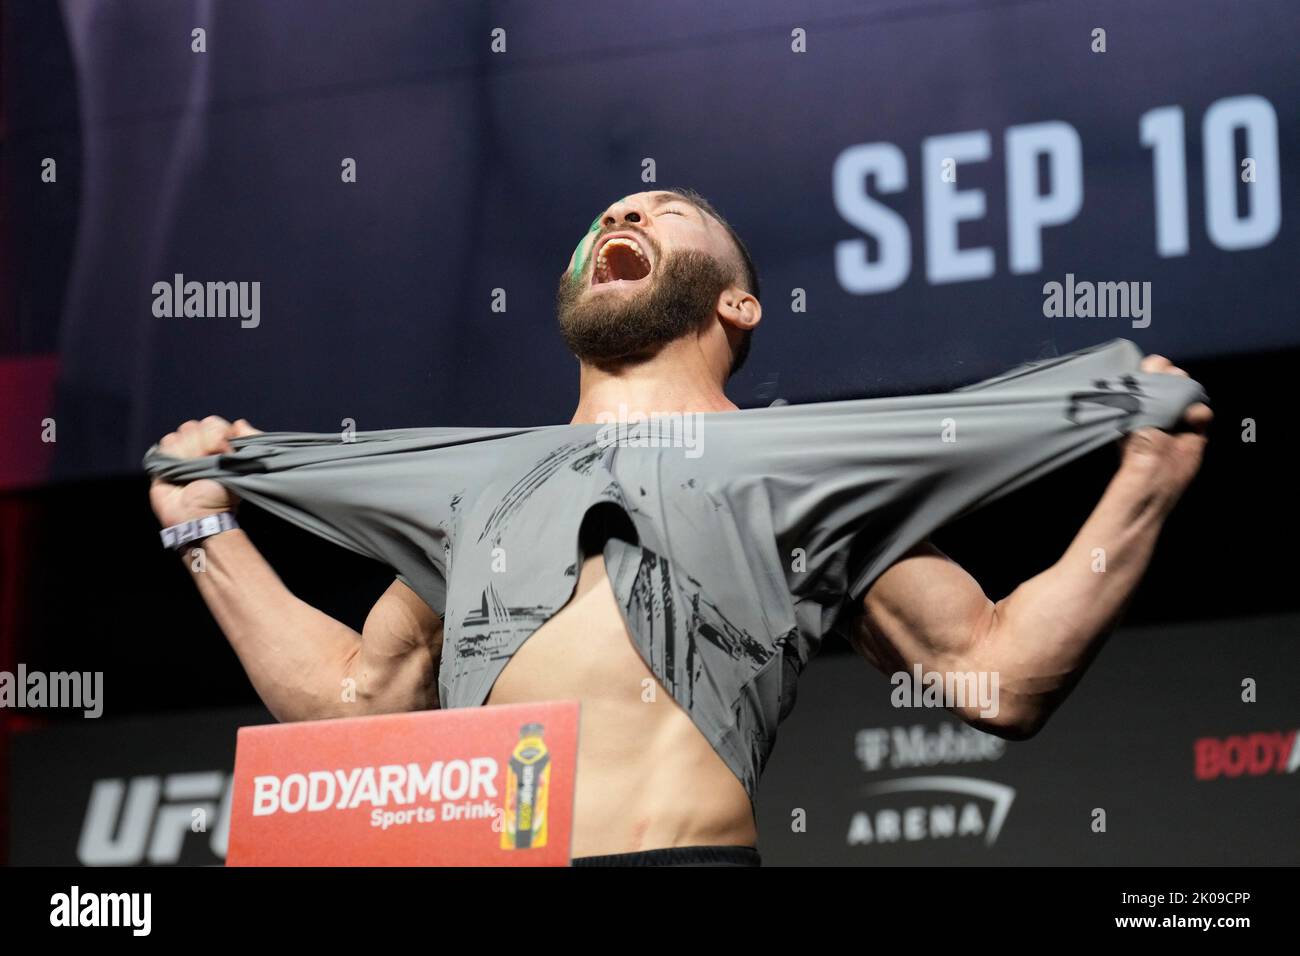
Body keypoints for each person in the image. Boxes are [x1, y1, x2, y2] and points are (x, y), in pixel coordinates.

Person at [147, 189, 1211, 865]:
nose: (623, 218)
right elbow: (355, 708)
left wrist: (1145, 477)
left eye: (663, 211)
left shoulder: (803, 481)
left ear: (736, 304)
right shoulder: (480, 496)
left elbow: (999, 674)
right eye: (607, 216)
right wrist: (205, 529)